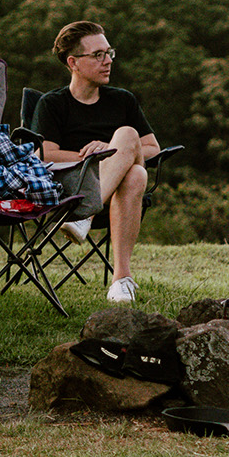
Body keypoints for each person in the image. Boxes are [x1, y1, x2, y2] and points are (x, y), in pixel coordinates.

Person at [31, 21, 158, 303]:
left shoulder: (122, 100)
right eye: (98, 55)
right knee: (134, 171)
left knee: (128, 141)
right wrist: (97, 156)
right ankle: (121, 280)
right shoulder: (52, 104)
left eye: (109, 52)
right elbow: (45, 154)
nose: (108, 60)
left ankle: (88, 216)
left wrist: (115, 148)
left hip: (101, 200)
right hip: (71, 188)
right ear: (73, 62)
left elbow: (151, 147)